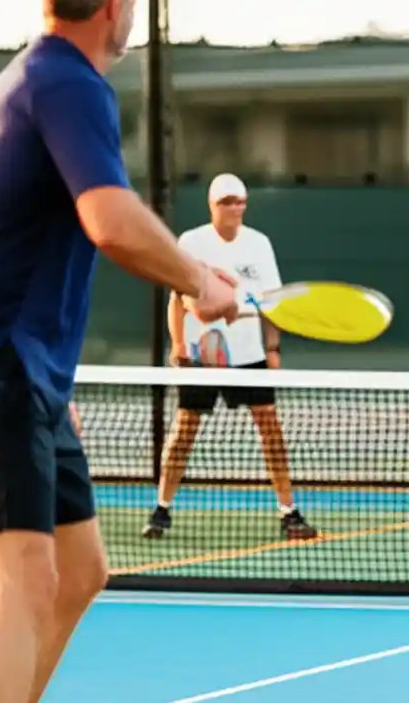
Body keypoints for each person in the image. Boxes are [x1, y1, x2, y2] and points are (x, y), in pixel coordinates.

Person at [0, 0, 238, 701]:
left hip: (25, 373)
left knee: (80, 571)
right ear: (115, 5)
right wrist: (199, 283)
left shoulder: (46, 79)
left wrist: (55, 392)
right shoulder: (66, 80)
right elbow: (112, 222)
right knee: (25, 584)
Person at [141, 173, 318, 541]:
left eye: (239, 201)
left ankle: (289, 511)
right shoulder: (192, 242)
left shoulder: (259, 244)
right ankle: (161, 509)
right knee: (185, 431)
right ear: (212, 205)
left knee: (271, 430)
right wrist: (178, 346)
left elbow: (272, 303)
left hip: (249, 355)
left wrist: (272, 349)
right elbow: (178, 297)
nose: (235, 208)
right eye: (227, 202)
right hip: (200, 354)